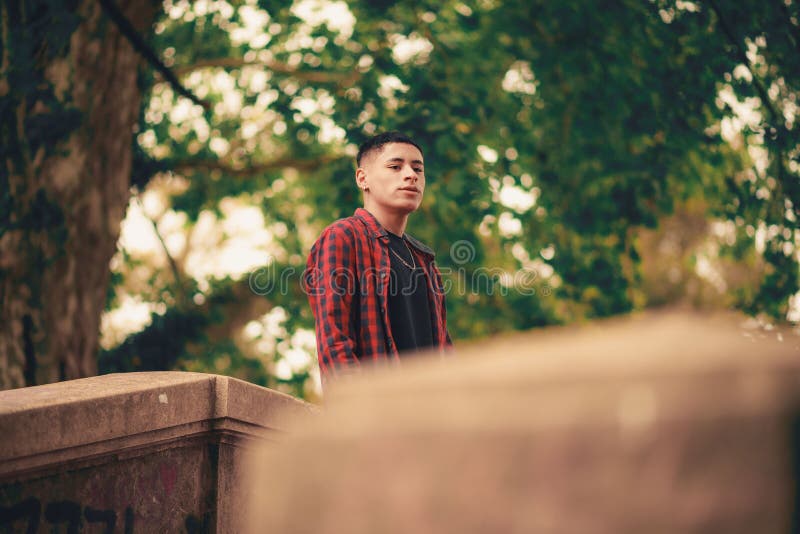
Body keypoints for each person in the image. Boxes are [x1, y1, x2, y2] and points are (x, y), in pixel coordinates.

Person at [305, 131, 452, 379]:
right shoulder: (343, 237)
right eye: (395, 166)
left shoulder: (424, 259)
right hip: (378, 409)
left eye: (418, 169)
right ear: (363, 179)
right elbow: (335, 341)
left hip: (432, 411)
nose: (410, 175)